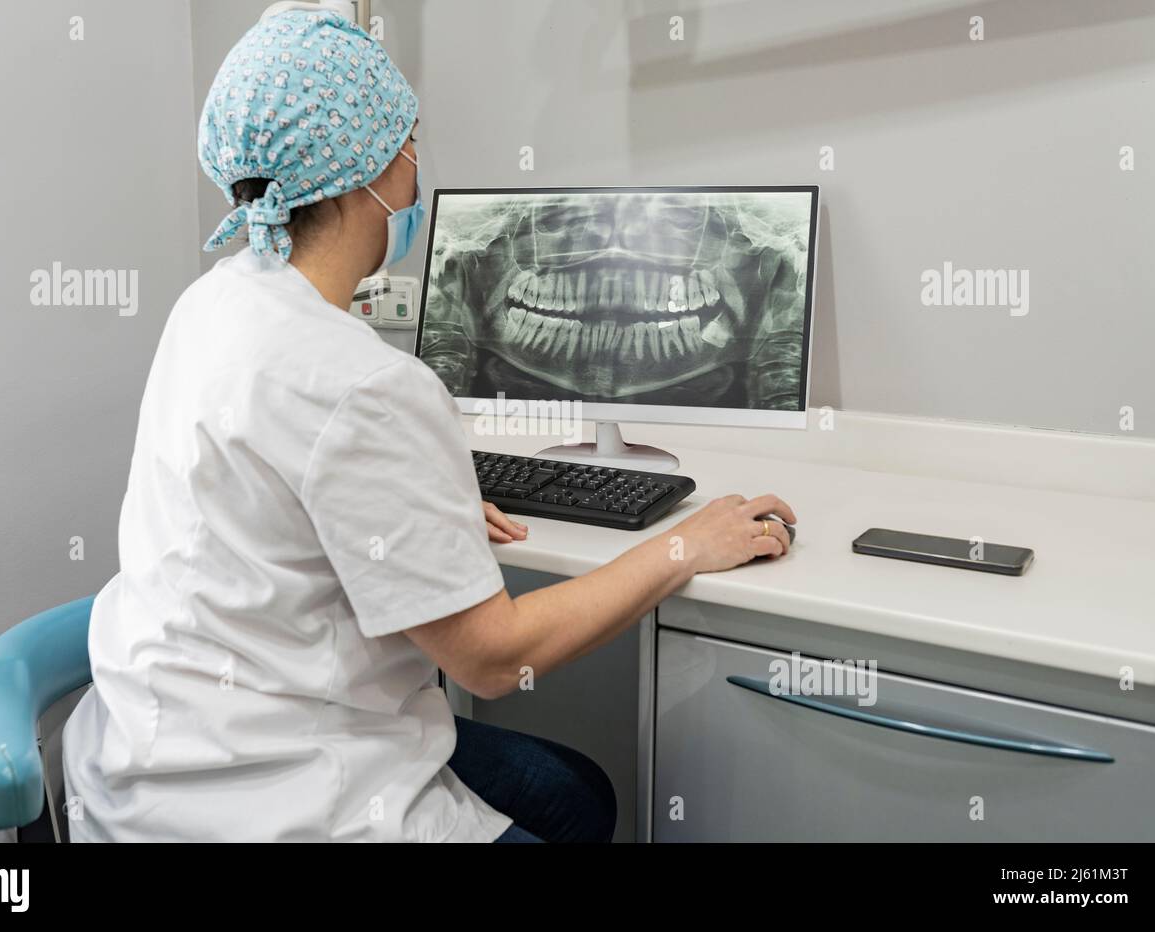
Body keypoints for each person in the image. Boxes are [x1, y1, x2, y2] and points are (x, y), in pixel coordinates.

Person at [61, 5, 794, 843]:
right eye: (408, 142)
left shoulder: (211, 303)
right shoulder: (366, 383)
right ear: (369, 172)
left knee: (578, 794)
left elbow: (268, 504)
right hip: (278, 801)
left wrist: (415, 520)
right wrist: (683, 547)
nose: (416, 163)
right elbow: (492, 657)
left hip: (147, 759)